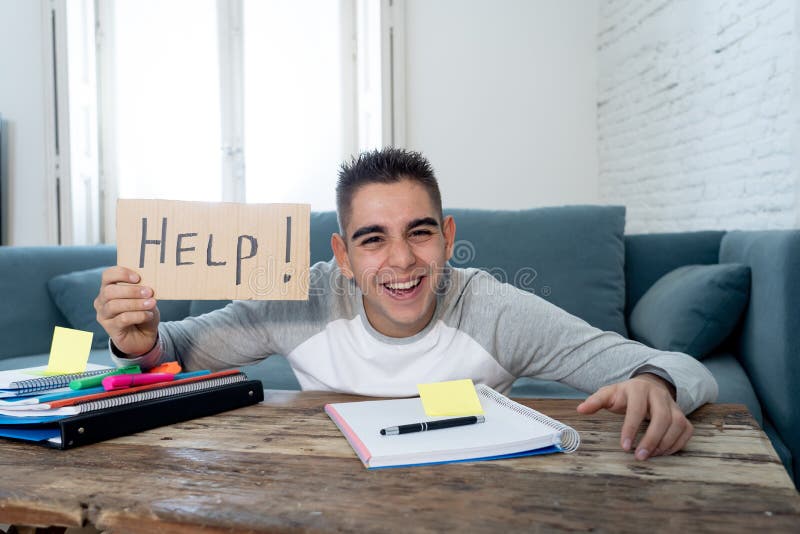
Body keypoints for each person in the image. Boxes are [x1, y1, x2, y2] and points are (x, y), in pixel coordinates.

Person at [95, 147, 717, 461]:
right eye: (373, 239)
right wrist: (138, 334)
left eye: (419, 232)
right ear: (341, 254)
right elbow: (170, 352)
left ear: (446, 238)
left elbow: (686, 369)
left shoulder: (495, 310)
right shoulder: (300, 298)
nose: (400, 260)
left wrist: (656, 384)